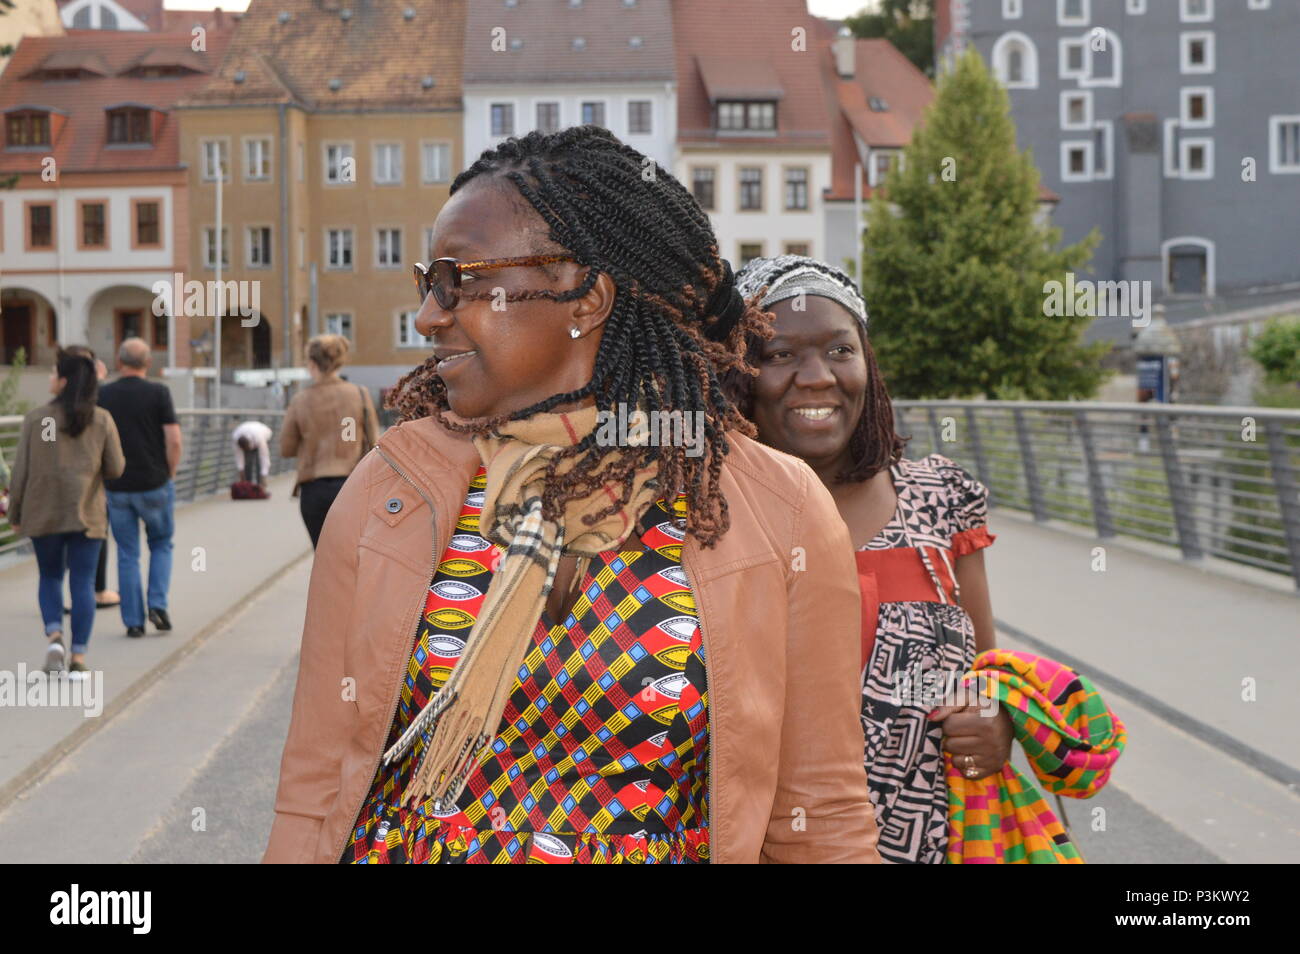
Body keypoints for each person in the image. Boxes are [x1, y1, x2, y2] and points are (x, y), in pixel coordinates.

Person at [263, 126, 881, 864]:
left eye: (460, 279)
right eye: (428, 281)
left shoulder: (776, 509)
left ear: (584, 297)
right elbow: (316, 783)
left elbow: (820, 815)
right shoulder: (391, 486)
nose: (431, 313)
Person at [730, 255, 1011, 864]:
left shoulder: (939, 498)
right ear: (740, 373)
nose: (817, 377)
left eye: (839, 350)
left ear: (868, 365)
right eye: (780, 355)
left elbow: (986, 669)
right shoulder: (710, 514)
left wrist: (994, 720)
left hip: (927, 841)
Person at [7, 347, 125, 676]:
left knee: (50, 576)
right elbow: (116, 468)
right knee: (84, 584)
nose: (49, 378)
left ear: (63, 380)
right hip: (87, 514)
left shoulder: (36, 418)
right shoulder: (101, 419)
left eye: (53, 372)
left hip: (43, 513)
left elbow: (21, 473)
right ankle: (79, 658)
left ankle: (55, 634)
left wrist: (15, 513)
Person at [97, 337, 182, 638]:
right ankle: (157, 605)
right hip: (155, 482)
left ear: (119, 362)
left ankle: (133, 621)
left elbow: (96, 441)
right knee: (160, 544)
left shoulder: (103, 394)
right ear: (148, 363)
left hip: (117, 487)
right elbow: (173, 439)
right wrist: (169, 472)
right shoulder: (159, 392)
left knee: (127, 552)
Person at [279, 334, 378, 548]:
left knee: (323, 558)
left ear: (312, 364)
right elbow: (374, 443)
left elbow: (286, 448)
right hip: (351, 486)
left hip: (313, 488)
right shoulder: (359, 394)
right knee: (353, 556)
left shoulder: (300, 400)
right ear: (339, 362)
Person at [64, 346, 120, 610]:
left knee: (65, 537)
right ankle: (94, 591)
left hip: (63, 483)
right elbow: (113, 461)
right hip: (92, 483)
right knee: (94, 533)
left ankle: (68, 596)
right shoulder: (99, 403)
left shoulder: (51, 410)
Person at [232, 420, 273, 489]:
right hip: (248, 432)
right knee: (247, 462)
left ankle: (260, 485)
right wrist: (241, 473)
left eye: (247, 449)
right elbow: (239, 457)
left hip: (264, 434)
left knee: (259, 463)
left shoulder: (259, 438)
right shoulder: (235, 438)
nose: (246, 451)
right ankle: (248, 485)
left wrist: (264, 475)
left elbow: (264, 457)